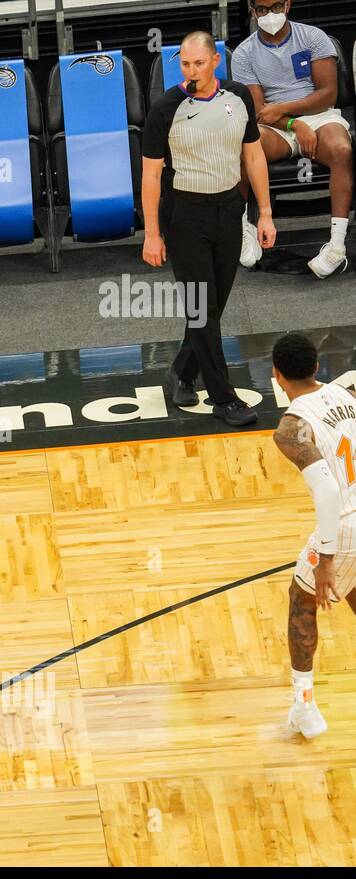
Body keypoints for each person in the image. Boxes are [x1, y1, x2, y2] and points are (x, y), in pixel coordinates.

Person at [142, 31, 276, 427]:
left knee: (211, 307)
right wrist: (152, 233)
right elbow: (150, 176)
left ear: (215, 60)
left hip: (229, 209)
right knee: (202, 308)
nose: (191, 71)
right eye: (184, 64)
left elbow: (253, 156)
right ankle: (223, 398)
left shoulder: (238, 97)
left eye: (198, 63)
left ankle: (183, 371)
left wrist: (264, 213)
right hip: (185, 215)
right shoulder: (166, 107)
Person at [268, 331, 356, 738]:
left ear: (276, 375)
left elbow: (327, 489)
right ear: (317, 366)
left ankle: (304, 706)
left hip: (346, 523)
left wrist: (326, 558)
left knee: (301, 601)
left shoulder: (291, 428)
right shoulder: (350, 388)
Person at [233, 1, 352, 278]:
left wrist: (289, 112)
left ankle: (336, 248)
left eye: (275, 6)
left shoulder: (313, 37)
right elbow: (259, 112)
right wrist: (293, 124)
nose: (269, 15)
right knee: (242, 144)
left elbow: (328, 95)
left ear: (287, 4)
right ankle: (244, 229)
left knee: (342, 149)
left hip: (319, 117)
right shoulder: (243, 53)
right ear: (252, 11)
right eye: (261, 9)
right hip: (276, 125)